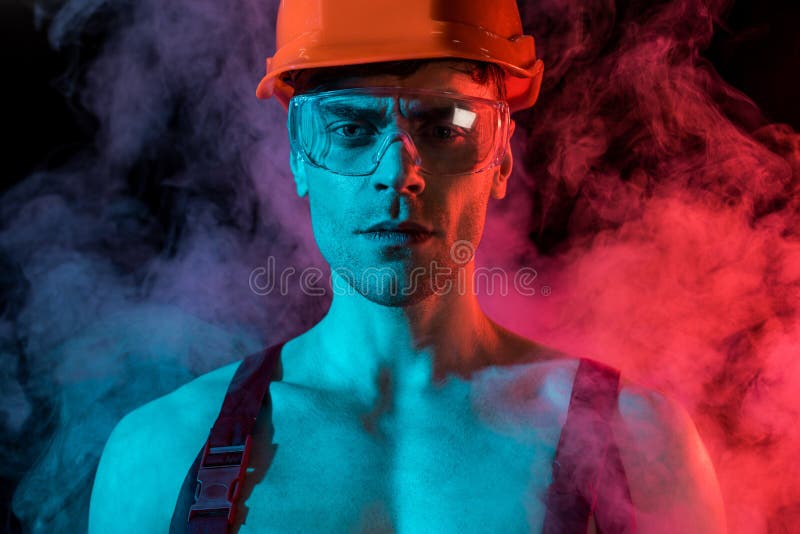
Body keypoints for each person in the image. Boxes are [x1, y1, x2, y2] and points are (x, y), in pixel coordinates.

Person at [88, 1, 727, 532]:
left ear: (502, 155)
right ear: (299, 155)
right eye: (350, 129)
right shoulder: (163, 454)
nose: (397, 173)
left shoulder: (637, 445)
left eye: (445, 127)